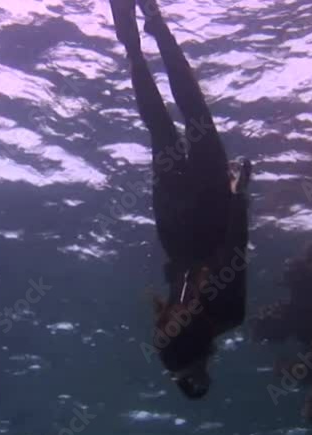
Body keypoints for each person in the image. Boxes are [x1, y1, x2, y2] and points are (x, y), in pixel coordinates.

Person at [110, 0, 252, 399]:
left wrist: (240, 194)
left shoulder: (227, 315)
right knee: (162, 125)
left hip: (207, 213)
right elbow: (208, 262)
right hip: (175, 224)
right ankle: (135, 44)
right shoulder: (175, 332)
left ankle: (152, 27)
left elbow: (235, 247)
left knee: (193, 115)